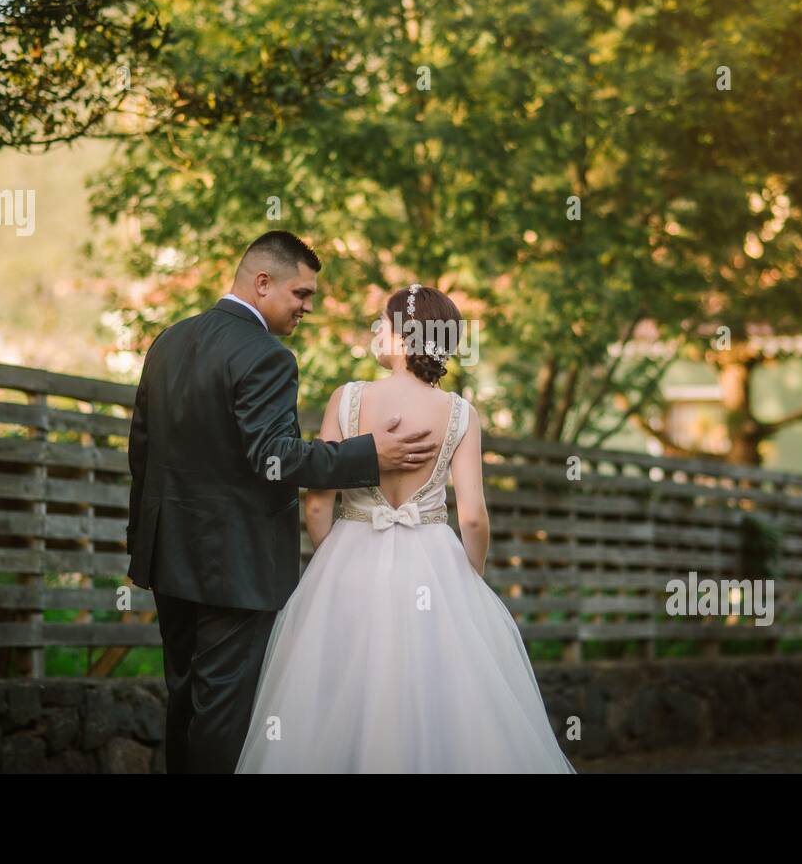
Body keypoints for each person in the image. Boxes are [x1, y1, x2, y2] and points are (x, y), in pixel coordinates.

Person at [125, 231, 437, 773]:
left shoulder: (168, 342)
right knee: (224, 711)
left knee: (184, 697)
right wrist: (369, 453)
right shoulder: (267, 356)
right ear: (262, 282)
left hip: (168, 556)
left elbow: (142, 452)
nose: (308, 308)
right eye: (301, 294)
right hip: (237, 566)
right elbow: (275, 458)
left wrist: (144, 543)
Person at [235, 284, 577, 773]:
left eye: (383, 323)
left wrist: (337, 554)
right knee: (441, 703)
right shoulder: (460, 414)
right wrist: (470, 579)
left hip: (349, 558)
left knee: (331, 702)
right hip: (432, 567)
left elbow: (316, 505)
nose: (377, 331)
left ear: (402, 336)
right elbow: (474, 515)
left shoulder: (349, 399)